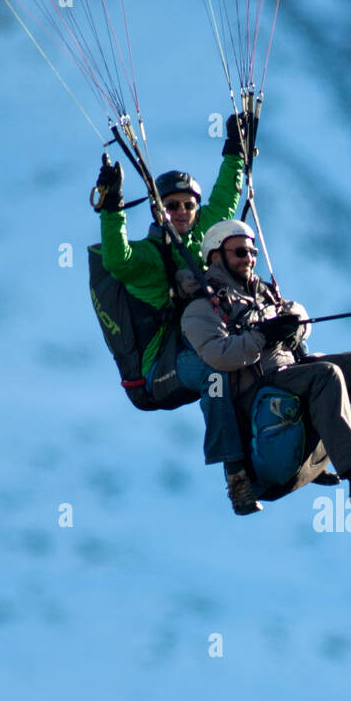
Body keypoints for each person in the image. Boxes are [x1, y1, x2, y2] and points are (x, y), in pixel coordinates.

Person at [177, 220, 351, 507]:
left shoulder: (263, 293)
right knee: (326, 374)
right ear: (215, 256)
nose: (249, 258)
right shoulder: (200, 308)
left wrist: (294, 325)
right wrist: (260, 336)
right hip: (255, 390)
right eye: (240, 252)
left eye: (252, 251)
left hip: (288, 373)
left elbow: (298, 313)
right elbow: (218, 355)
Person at [93, 113, 257, 514]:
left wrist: (236, 147)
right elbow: (117, 259)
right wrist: (112, 207)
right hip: (159, 370)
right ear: (158, 210)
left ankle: (286, 442)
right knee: (216, 375)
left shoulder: (205, 239)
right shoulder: (148, 259)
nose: (182, 211)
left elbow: (227, 193)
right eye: (173, 206)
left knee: (262, 349)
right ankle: (237, 477)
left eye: (188, 205)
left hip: (204, 342)